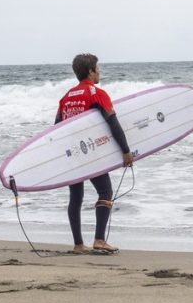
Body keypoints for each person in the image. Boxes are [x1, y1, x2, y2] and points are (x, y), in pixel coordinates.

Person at [54, 53, 134, 254]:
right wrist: (125, 150)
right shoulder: (97, 93)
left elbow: (56, 129)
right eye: (97, 68)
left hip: (72, 154)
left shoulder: (66, 98)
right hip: (90, 152)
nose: (99, 71)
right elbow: (113, 124)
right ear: (90, 71)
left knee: (76, 197)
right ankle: (99, 239)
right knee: (105, 191)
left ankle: (78, 244)